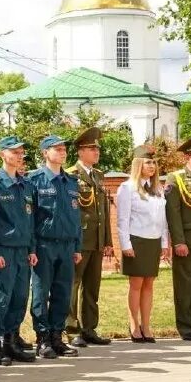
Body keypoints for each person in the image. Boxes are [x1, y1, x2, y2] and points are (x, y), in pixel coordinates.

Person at [28, 135, 82, 359]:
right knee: (41, 293)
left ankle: (57, 337)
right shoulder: (34, 180)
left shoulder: (71, 182)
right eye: (57, 149)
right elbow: (29, 219)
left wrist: (77, 246)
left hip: (67, 246)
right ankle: (43, 339)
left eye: (63, 149)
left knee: (62, 293)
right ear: (44, 153)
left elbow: (76, 217)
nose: (62, 152)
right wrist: (31, 248)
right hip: (44, 245)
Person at [0, 136, 37, 365]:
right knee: (0, 298)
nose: (19, 156)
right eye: (14, 152)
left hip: (22, 251)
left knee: (19, 298)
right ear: (2, 155)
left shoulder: (26, 185)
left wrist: (32, 248)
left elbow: (30, 220)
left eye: (21, 152)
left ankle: (12, 341)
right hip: (3, 251)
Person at [116, 144, 169, 342]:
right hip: (136, 240)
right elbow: (122, 219)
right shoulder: (127, 188)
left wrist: (164, 243)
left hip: (153, 241)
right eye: (148, 162)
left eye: (154, 163)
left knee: (149, 284)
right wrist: (125, 244)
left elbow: (162, 219)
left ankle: (146, 326)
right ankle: (133, 325)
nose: (152, 166)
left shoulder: (157, 189)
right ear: (138, 164)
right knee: (136, 284)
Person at [66, 128, 114, 347]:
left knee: (92, 287)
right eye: (92, 148)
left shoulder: (98, 176)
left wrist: (107, 242)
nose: (96, 152)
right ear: (80, 151)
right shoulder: (70, 175)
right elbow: (70, 212)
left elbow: (104, 211)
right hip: (80, 239)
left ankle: (89, 328)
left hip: (96, 240)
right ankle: (71, 329)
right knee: (73, 285)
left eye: (97, 148)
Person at [165, 132, 191, 341]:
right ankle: (186, 327)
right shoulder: (176, 178)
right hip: (187, 242)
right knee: (185, 287)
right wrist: (179, 241)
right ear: (188, 156)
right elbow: (173, 213)